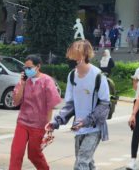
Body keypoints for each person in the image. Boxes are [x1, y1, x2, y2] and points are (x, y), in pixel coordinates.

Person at [47, 40, 111, 170]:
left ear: (84, 56)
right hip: (78, 128)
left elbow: (105, 105)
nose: (71, 59)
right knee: (87, 163)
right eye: (70, 55)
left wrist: (87, 121)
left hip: (94, 128)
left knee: (81, 163)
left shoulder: (98, 76)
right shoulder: (72, 76)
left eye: (74, 56)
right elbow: (70, 105)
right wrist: (56, 122)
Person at [8, 54, 62, 170]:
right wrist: (22, 84)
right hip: (23, 122)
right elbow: (16, 101)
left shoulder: (47, 81)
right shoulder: (24, 81)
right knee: (16, 153)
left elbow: (50, 105)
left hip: (39, 124)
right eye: (25, 68)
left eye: (30, 68)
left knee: (33, 155)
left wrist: (49, 125)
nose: (27, 70)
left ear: (38, 67)